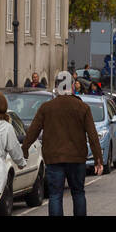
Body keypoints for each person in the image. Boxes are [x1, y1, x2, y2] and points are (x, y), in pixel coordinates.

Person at [21, 70, 103, 216]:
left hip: (54, 157)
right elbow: (92, 135)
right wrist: (98, 159)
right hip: (77, 158)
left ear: (56, 86)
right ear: (72, 86)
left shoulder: (46, 108)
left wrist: (25, 148)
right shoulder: (82, 107)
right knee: (78, 192)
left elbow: (33, 131)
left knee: (55, 195)